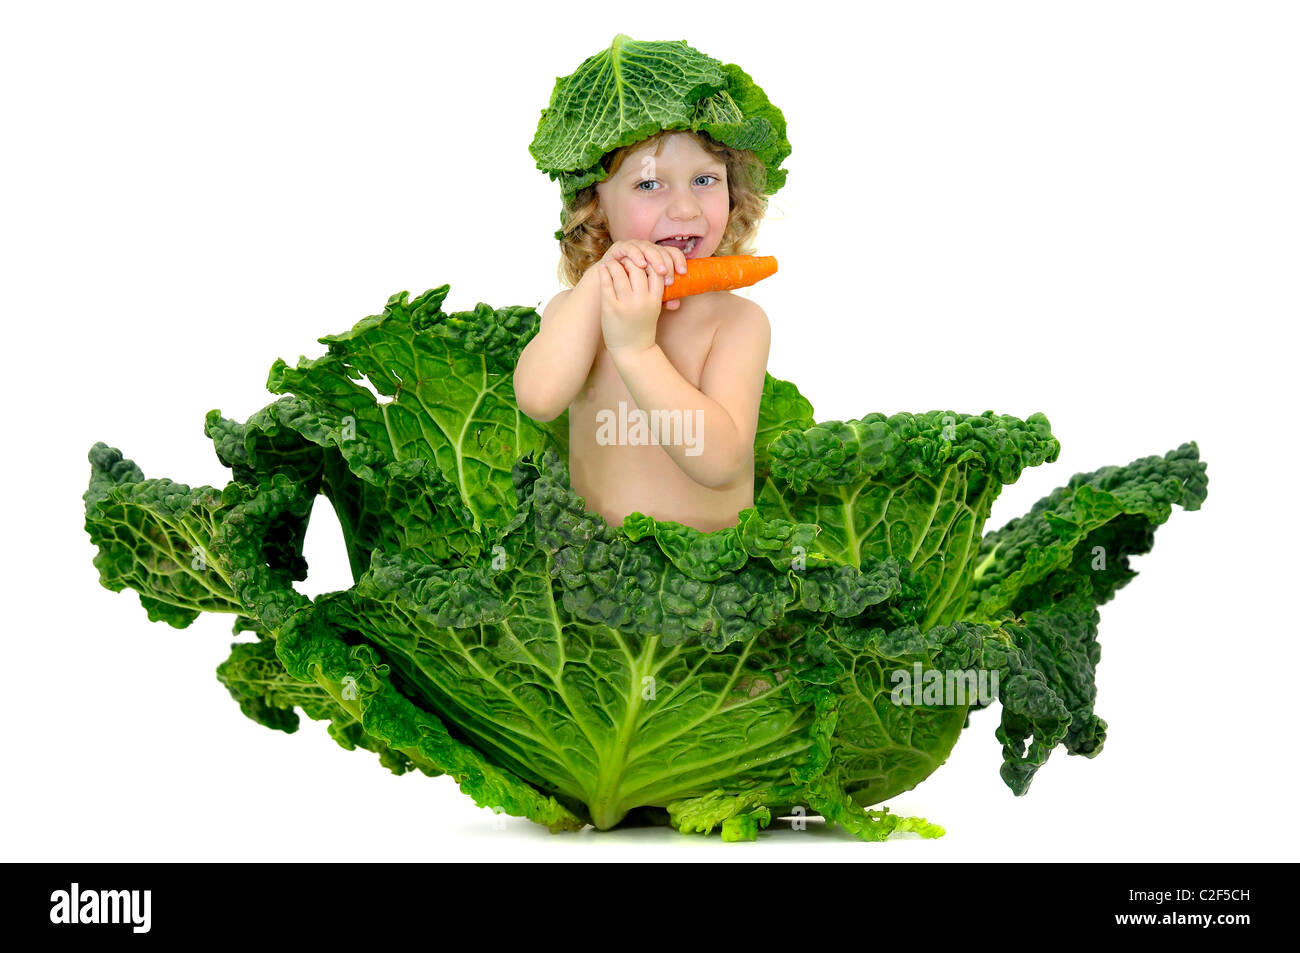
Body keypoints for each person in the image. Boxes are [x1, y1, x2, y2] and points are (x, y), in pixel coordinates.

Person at [515, 35, 791, 533]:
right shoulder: (578, 307)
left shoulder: (737, 323)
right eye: (648, 184)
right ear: (595, 205)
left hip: (712, 585)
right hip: (592, 575)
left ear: (735, 193)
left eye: (705, 180)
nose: (684, 208)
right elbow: (537, 398)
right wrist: (599, 284)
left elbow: (720, 461)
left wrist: (637, 351)